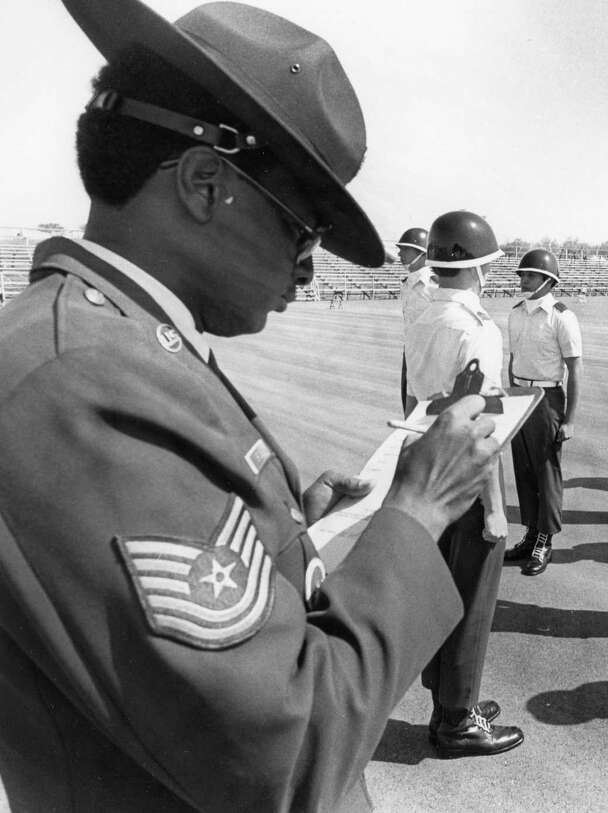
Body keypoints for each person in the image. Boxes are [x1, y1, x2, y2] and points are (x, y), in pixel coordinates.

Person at [0, 2, 502, 809]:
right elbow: (289, 748)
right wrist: (417, 510)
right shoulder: (81, 383)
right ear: (204, 183)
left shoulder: (113, 341)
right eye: (302, 227)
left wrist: (277, 533)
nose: (307, 267)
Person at [404, 210, 525, 757]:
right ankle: (457, 720)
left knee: (441, 588)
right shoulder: (478, 327)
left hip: (429, 467)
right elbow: (484, 424)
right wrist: (495, 506)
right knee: (471, 598)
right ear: (480, 270)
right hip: (467, 475)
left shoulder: (423, 316)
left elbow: (414, 400)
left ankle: (448, 701)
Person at [501, 248, 584, 576]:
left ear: (548, 280)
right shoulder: (516, 312)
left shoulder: (561, 316)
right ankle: (530, 533)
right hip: (520, 393)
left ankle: (545, 540)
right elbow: (513, 359)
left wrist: (571, 419)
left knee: (546, 471)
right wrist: (510, 398)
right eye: (522, 274)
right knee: (523, 469)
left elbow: (575, 369)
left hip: (547, 396)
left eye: (531, 275)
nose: (523, 279)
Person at [397, 225, 435, 408]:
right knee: (408, 409)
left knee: (427, 412)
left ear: (422, 253)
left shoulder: (435, 286)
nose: (399, 254)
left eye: (405, 249)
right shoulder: (407, 284)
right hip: (411, 353)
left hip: (432, 356)